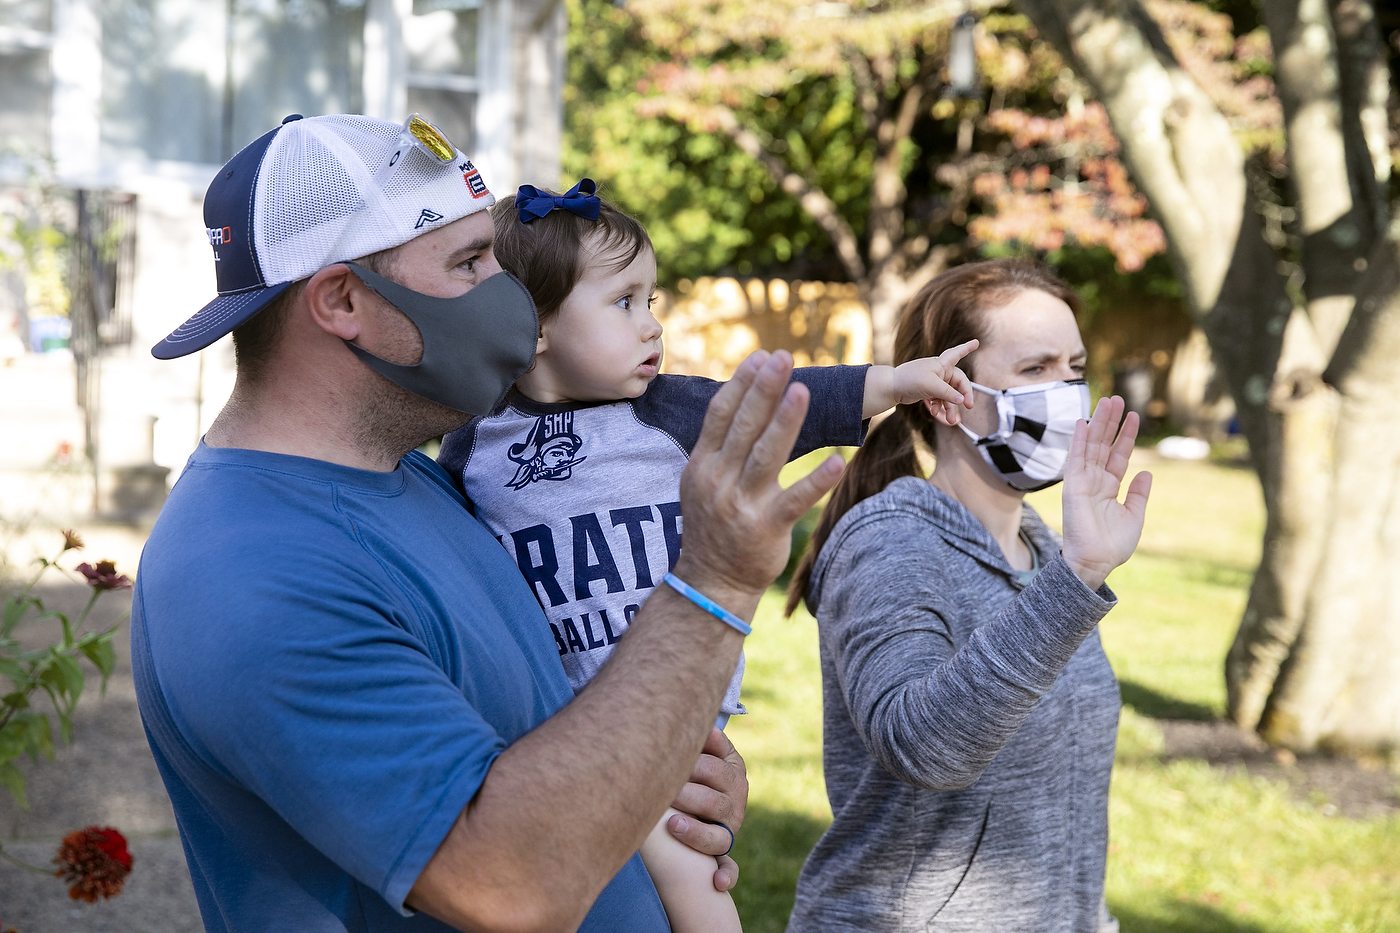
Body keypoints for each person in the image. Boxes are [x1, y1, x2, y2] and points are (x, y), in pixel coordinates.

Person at [131, 112, 843, 933]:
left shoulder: (414, 481)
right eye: (471, 263)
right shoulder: (251, 577)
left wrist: (669, 763)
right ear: (344, 300)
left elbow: (545, 733)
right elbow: (510, 885)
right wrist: (712, 586)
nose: (511, 301)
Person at [436, 178, 978, 933]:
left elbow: (795, 401)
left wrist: (897, 382)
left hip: (669, 708)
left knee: (690, 883)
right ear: (532, 328)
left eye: (651, 300)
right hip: (550, 730)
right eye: (623, 302)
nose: (652, 325)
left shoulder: (675, 413)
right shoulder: (473, 444)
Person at [783, 259, 1153, 933]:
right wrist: (1075, 582)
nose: (1068, 393)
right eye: (1036, 369)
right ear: (948, 395)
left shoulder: (1045, 549)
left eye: (1074, 367)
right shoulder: (888, 542)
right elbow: (924, 748)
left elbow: (1058, 798)